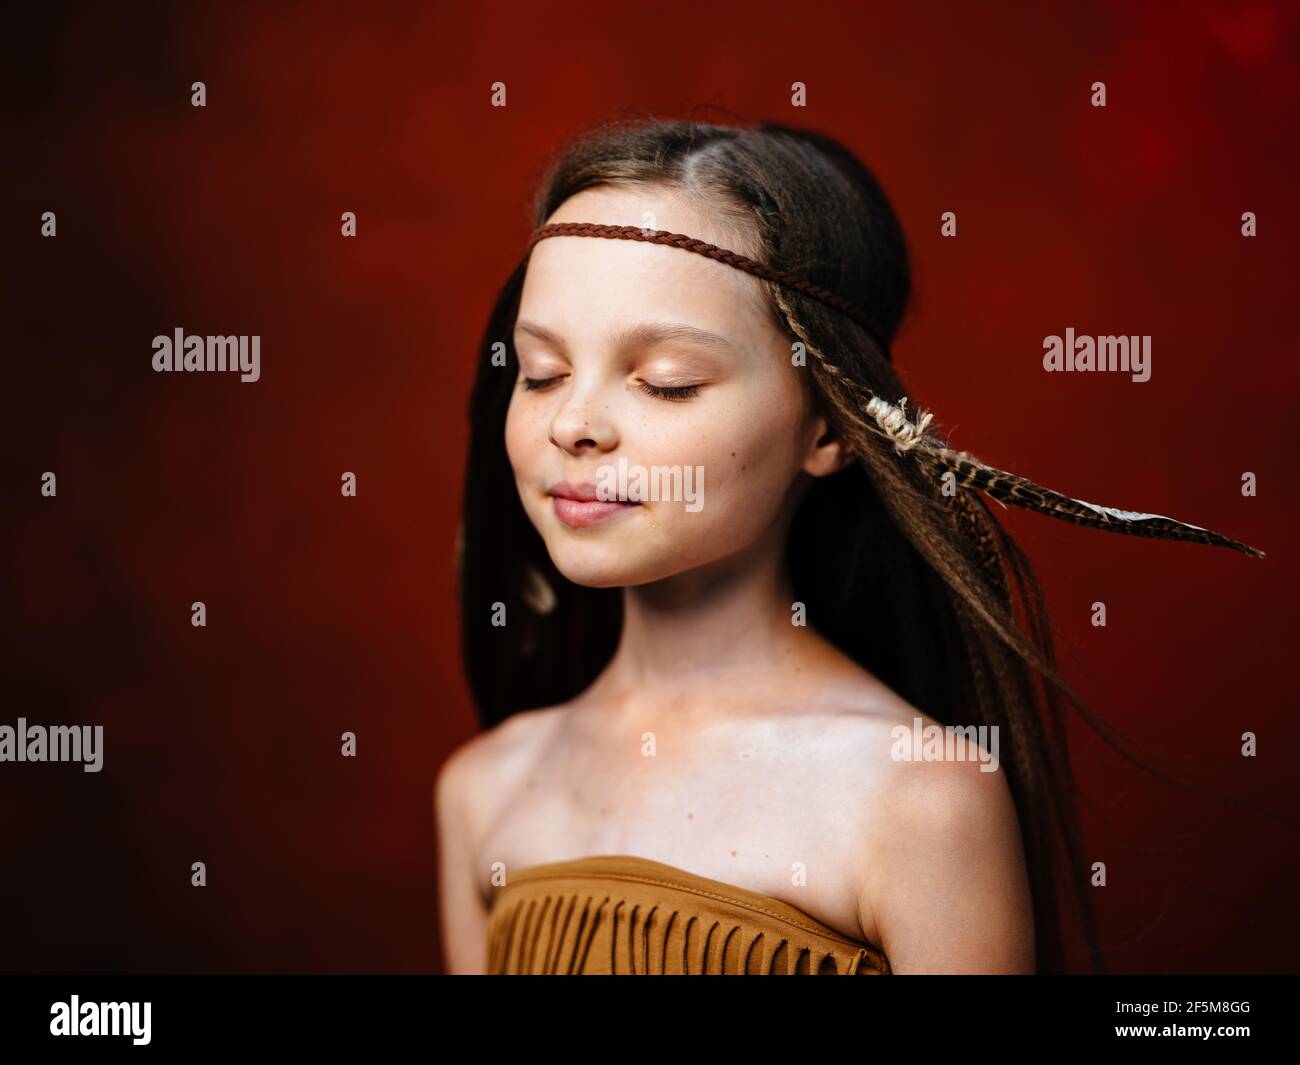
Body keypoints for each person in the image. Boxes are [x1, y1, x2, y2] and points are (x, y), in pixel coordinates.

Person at [435, 118, 1261, 975]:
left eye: (666, 382)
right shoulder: (483, 792)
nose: (573, 423)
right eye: (540, 372)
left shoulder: (920, 802)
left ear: (829, 425)